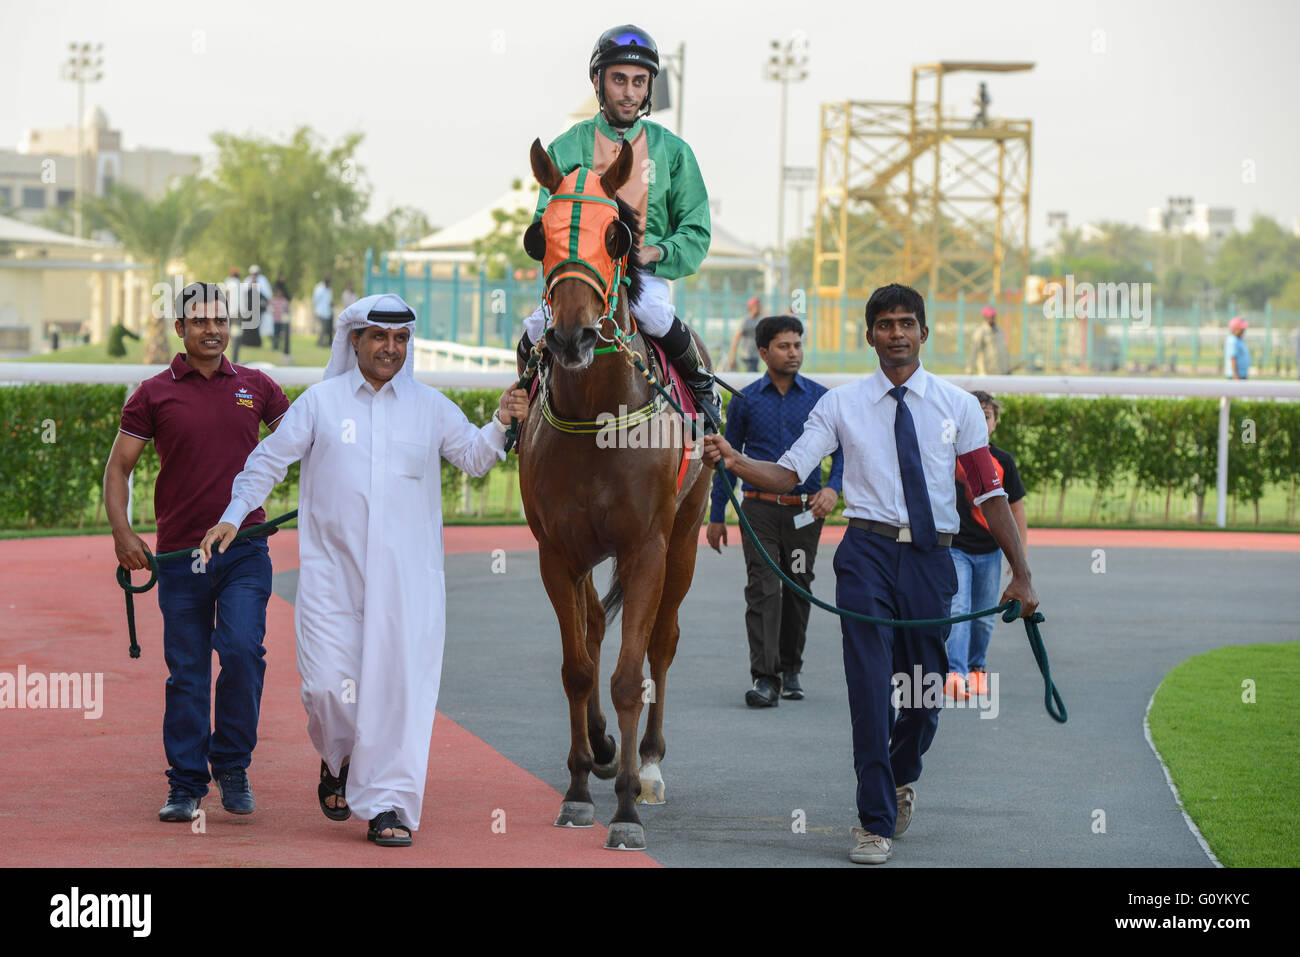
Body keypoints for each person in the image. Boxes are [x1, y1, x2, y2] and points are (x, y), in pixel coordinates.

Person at [702, 283, 1038, 865]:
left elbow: (989, 491)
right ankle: (874, 819)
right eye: (885, 324)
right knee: (869, 687)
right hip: (865, 554)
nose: (897, 333)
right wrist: (734, 460)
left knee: (926, 693)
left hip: (931, 559)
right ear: (870, 336)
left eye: (907, 322)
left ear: (924, 333)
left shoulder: (958, 406)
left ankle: (902, 773)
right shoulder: (839, 404)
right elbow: (788, 473)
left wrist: (1022, 572)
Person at [200, 293, 529, 848]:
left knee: (399, 696)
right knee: (329, 691)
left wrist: (499, 421)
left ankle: (390, 805)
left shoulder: (429, 406)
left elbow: (474, 458)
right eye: (379, 337)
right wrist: (234, 516)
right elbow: (267, 461)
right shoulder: (320, 403)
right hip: (332, 580)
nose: (390, 348)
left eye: (400, 339)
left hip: (408, 587)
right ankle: (341, 758)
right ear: (354, 340)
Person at [103, 281, 290, 823]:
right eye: (200, 321)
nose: (213, 329)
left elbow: (305, 443)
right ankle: (185, 783)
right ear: (179, 330)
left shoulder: (258, 386)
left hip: (245, 549)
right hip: (180, 557)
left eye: (221, 321)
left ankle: (231, 763)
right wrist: (122, 534)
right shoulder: (152, 393)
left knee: (239, 651)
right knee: (186, 671)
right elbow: (119, 468)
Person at [517, 24, 719, 429]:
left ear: (649, 89)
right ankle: (521, 411)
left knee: (655, 315)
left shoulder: (675, 152)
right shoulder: (567, 147)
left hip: (641, 278)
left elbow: (696, 230)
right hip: (581, 278)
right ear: (598, 81)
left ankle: (703, 393)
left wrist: (654, 252)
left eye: (639, 82)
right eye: (619, 79)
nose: (629, 92)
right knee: (534, 328)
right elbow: (547, 220)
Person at [707, 315, 842, 707]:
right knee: (763, 589)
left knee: (798, 586)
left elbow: (845, 451)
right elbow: (725, 459)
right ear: (764, 352)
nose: (793, 352)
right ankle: (765, 678)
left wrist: (833, 488)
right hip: (758, 513)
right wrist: (717, 515)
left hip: (805, 515)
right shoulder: (747, 400)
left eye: (798, 344)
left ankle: (791, 669)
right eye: (784, 346)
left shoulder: (821, 397)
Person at [944, 390, 1028, 700]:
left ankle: (976, 668)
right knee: (958, 607)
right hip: (954, 548)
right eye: (973, 414)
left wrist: (1019, 558)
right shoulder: (947, 455)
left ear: (994, 423)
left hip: (990, 551)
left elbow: (1016, 508)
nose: (980, 420)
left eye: (986, 415)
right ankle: (955, 673)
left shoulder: (1003, 461)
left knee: (982, 615)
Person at [966, 305, 1012, 375]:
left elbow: (1004, 353)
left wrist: (1007, 369)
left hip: (1001, 373)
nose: (992, 319)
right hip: (987, 373)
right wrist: (969, 369)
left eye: (993, 316)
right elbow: (974, 352)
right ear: (985, 317)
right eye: (990, 317)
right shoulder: (980, 332)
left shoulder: (1000, 332)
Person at [724, 296, 763, 372]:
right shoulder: (745, 321)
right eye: (757, 306)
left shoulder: (759, 321)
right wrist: (732, 357)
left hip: (755, 356)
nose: (759, 308)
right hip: (746, 357)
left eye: (760, 306)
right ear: (751, 307)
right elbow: (736, 339)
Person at [270, 275, 292, 358]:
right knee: (275, 333)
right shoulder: (273, 301)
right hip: (275, 319)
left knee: (281, 334)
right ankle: (274, 346)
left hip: (281, 320)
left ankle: (280, 346)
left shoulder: (284, 301)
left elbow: (287, 307)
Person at [313, 276, 333, 348]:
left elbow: (329, 300)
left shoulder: (329, 289)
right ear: (325, 282)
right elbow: (315, 300)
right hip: (320, 312)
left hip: (328, 312)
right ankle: (320, 343)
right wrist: (315, 311)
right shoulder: (319, 288)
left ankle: (324, 342)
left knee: (327, 328)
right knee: (322, 328)